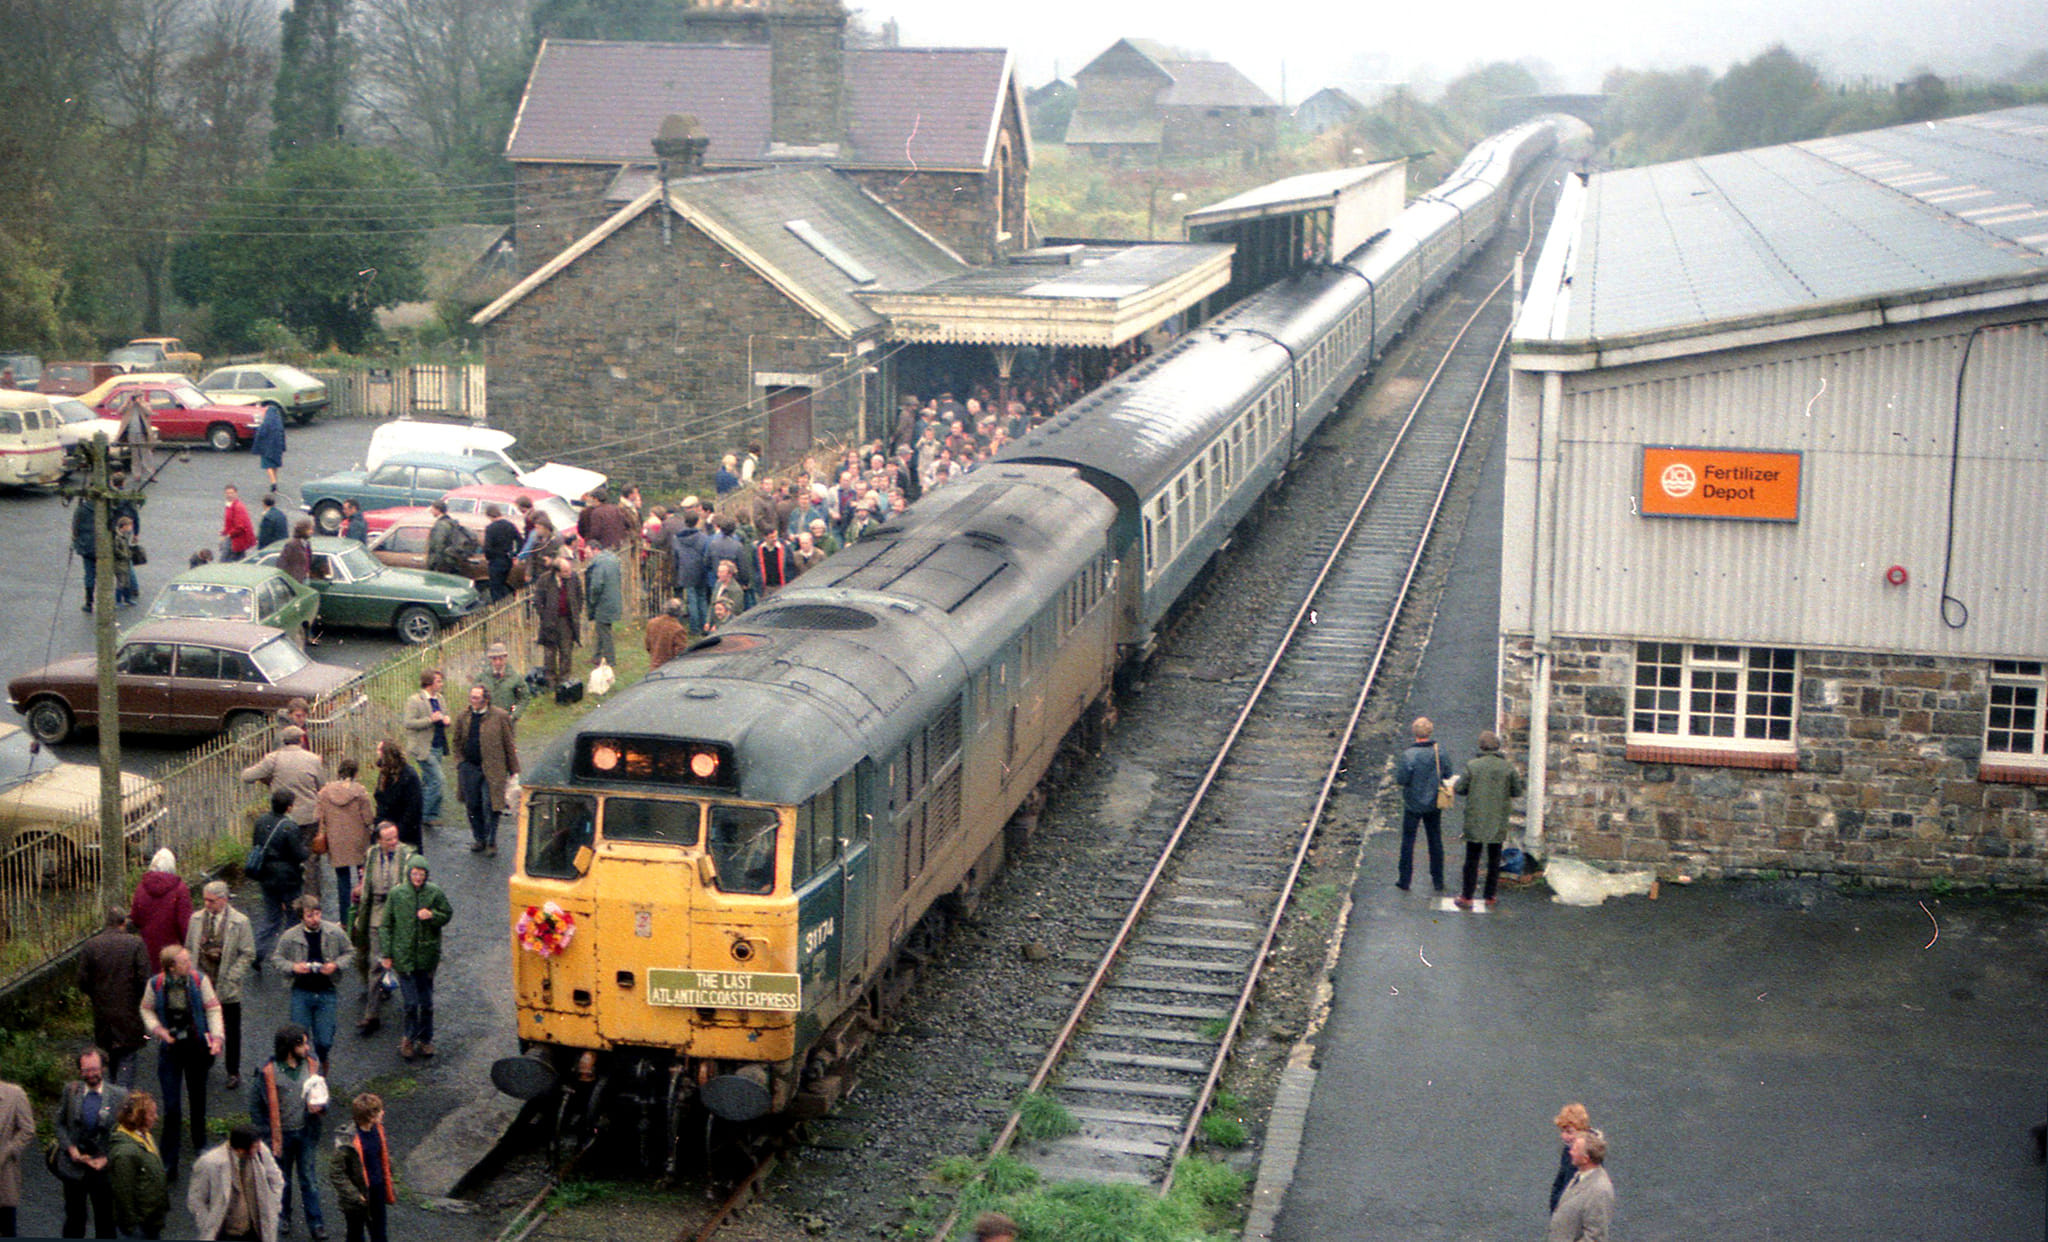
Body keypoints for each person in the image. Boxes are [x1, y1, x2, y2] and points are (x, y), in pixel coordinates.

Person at [139, 945, 224, 1183]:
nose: (190, 964)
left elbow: (213, 1008)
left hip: (197, 1048)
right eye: (185, 962)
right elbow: (146, 1009)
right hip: (171, 1051)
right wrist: (159, 1031)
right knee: (172, 1107)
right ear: (171, 967)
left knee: (198, 1100)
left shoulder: (199, 980)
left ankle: (201, 1148)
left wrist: (217, 1038)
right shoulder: (155, 985)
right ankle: (169, 1161)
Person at [248, 1026, 326, 1241]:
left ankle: (316, 1223)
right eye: (302, 1044)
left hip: (306, 1132)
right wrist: (265, 1133)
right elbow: (256, 1106)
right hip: (280, 1135)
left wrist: (320, 1106)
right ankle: (283, 1217)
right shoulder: (269, 1072)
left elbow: (320, 1092)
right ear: (290, 1048)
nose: (307, 1047)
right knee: (283, 1179)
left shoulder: (310, 1065)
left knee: (308, 1178)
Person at [272, 898, 352, 1077]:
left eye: (317, 914)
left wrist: (336, 965)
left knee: (324, 1040)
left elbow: (349, 952)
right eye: (310, 916)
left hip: (326, 991)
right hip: (301, 991)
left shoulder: (334, 932)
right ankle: (307, 1068)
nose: (315, 919)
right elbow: (277, 959)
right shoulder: (290, 936)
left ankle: (323, 1058)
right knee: (298, 1037)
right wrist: (293, 967)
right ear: (302, 917)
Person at [55, 1047, 130, 1237]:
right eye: (86, 1070)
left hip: (103, 1170)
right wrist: (70, 1148)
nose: (91, 1074)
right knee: (74, 1220)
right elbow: (60, 1124)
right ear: (80, 1071)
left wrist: (107, 1159)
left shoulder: (119, 1095)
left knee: (105, 1222)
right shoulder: (70, 1091)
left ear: (103, 1067)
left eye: (95, 1069)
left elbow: (126, 1133)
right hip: (74, 1168)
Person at [186, 881, 255, 1091]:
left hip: (227, 988)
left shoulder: (240, 922)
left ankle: (232, 1071)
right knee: (202, 1026)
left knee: (232, 1031)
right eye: (205, 899)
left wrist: (233, 977)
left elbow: (248, 953)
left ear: (224, 900)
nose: (206, 904)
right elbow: (189, 949)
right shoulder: (196, 920)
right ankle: (206, 1063)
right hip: (202, 986)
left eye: (211, 901)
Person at [242, 726, 326, 895]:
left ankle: (291, 898)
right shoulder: (313, 759)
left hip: (283, 821)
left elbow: (247, 776)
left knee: (286, 858)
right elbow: (321, 786)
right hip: (308, 817)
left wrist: (268, 779)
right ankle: (312, 899)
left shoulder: (273, 759)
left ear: (283, 741)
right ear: (301, 740)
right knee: (310, 860)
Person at [350, 825, 416, 1036]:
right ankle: (372, 1015)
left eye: (395, 837)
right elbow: (367, 883)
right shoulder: (371, 855)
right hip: (377, 911)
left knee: (403, 964)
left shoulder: (407, 855)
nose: (394, 842)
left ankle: (412, 1013)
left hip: (398, 911)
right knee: (375, 964)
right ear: (379, 840)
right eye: (388, 839)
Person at [381, 859, 451, 1059]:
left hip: (427, 957)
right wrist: (387, 954)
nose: (418, 878)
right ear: (408, 874)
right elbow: (386, 925)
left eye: (421, 874)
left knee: (427, 1003)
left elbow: (447, 914)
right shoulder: (397, 894)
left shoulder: (434, 892)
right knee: (411, 1003)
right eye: (414, 874)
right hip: (404, 957)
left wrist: (432, 915)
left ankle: (426, 1039)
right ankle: (408, 1039)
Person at [1452, 731, 1525, 911]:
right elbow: (1517, 791)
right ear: (1498, 747)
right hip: (1498, 818)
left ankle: (1467, 896)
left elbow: (1460, 788)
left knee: (1472, 859)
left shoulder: (1473, 766)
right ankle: (1490, 896)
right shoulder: (1508, 768)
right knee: (1494, 859)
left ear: (1481, 746)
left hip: (1476, 817)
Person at [79, 908, 150, 1088]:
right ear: (123, 922)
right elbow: (144, 978)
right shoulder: (135, 944)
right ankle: (122, 1102)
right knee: (127, 1057)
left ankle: (107, 1099)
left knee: (106, 1057)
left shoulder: (90, 945)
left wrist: (97, 995)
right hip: (129, 1011)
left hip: (102, 1012)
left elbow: (82, 981)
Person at [451, 685, 518, 856]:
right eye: (471, 696)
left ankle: (491, 841)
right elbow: (456, 741)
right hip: (470, 768)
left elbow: (509, 744)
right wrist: (460, 762)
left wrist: (513, 769)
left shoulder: (500, 716)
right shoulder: (463, 717)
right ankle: (479, 838)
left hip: (493, 769)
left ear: (485, 699)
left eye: (476, 697)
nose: (472, 700)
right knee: (472, 804)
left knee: (491, 805)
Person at [188, 1126, 284, 1242]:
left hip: (256, 1230)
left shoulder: (260, 1152)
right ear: (241, 1149)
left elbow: (276, 1179)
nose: (260, 1148)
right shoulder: (209, 1163)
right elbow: (196, 1199)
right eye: (255, 1146)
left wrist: (273, 1206)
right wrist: (207, 1223)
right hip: (225, 1233)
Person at [249, 791, 309, 967]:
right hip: (288, 878)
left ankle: (258, 951)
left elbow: (256, 844)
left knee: (271, 917)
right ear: (289, 807)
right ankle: (289, 954)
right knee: (293, 917)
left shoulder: (260, 821)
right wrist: (306, 850)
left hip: (266, 875)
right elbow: (298, 854)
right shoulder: (289, 826)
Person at [316, 760, 374, 932]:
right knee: (363, 878)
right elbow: (368, 818)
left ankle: (344, 920)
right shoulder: (360, 792)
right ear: (355, 773)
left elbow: (319, 816)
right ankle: (365, 917)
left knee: (343, 882)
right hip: (359, 840)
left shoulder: (325, 792)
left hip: (336, 841)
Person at [1394, 716, 1451, 893]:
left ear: (1415, 733)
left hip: (1412, 803)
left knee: (1408, 841)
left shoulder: (1409, 755)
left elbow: (1401, 779)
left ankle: (1405, 880)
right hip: (1434, 803)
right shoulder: (1439, 753)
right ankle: (1438, 880)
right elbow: (1447, 774)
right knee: (1435, 840)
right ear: (1430, 732)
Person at [328, 1094, 394, 1242]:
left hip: (377, 1191)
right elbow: (337, 1173)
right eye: (378, 1111)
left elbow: (382, 1156)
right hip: (358, 1197)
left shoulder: (378, 1130)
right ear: (370, 1116)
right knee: (355, 1235)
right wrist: (355, 1195)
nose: (382, 1113)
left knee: (380, 1234)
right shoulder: (347, 1140)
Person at [107, 1092, 168, 1239]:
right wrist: (131, 1226)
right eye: (151, 1114)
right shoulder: (125, 1153)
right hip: (139, 1226)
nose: (156, 1117)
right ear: (138, 1117)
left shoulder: (145, 1135)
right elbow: (124, 1193)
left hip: (151, 1218)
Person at [401, 672, 450, 829]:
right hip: (423, 747)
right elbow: (408, 722)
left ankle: (422, 812)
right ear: (429, 683)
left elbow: (444, 715)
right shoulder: (415, 700)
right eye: (438, 681)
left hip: (437, 745)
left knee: (429, 781)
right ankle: (427, 815)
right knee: (438, 780)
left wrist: (446, 720)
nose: (441, 684)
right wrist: (431, 720)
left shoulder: (440, 699)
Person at [1547, 1130, 1614, 1242]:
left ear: (1585, 1158)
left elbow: (1595, 1237)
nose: (1570, 1152)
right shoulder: (1579, 1176)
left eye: (1575, 1149)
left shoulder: (1600, 1190)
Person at [129, 850, 192, 969]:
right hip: (172, 948)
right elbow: (184, 923)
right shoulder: (180, 889)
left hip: (147, 947)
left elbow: (136, 918)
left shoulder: (141, 888)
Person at [534, 556, 582, 686]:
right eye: (565, 571)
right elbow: (538, 600)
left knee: (566, 651)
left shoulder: (574, 578)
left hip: (567, 620)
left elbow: (579, 596)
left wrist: (576, 612)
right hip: (550, 622)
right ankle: (551, 681)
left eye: (569, 570)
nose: (569, 573)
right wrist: (544, 616)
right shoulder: (545, 580)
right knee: (550, 652)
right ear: (557, 571)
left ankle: (564, 680)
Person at [371, 741, 423, 850]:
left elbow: (414, 807)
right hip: (386, 826)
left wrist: (400, 831)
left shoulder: (409, 776)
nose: (377, 753)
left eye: (379, 750)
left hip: (405, 829)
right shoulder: (385, 773)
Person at [0, 1067, 32, 1238]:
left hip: (4, 1175)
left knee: (7, 1227)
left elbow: (27, 1130)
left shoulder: (15, 1095)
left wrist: (8, 1151)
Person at [1550, 1103, 1597, 1213]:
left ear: (1583, 1130)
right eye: (1562, 1131)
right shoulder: (1568, 1150)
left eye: (1569, 1132)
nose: (1564, 1136)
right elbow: (1560, 1181)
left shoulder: (1591, 1157)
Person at [584, 545, 621, 670]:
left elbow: (596, 585)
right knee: (601, 629)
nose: (586, 556)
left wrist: (592, 600)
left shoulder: (599, 564)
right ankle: (596, 656)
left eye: (587, 552)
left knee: (604, 632)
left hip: (603, 602)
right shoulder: (613, 559)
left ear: (595, 550)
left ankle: (611, 661)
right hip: (613, 600)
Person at [473, 641, 530, 717]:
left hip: (506, 721)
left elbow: (524, 698)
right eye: (494, 659)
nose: (498, 662)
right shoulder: (482, 677)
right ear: (490, 659)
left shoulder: (515, 677)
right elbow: (473, 697)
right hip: (486, 720)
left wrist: (515, 715)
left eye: (500, 659)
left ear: (505, 658)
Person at [481, 504, 520, 602]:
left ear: (489, 515)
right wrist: (516, 554)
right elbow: (520, 540)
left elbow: (487, 547)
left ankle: (498, 607)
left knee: (495, 588)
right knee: (503, 585)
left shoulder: (490, 528)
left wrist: (489, 558)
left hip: (496, 561)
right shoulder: (510, 525)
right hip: (508, 560)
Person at [252, 403, 287, 489]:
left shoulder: (265, 423)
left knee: (268, 465)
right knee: (275, 464)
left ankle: (273, 482)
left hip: (266, 448)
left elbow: (260, 434)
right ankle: (275, 479)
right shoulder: (279, 423)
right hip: (277, 448)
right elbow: (282, 436)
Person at [645, 598, 687, 668]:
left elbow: (648, 646)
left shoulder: (652, 623)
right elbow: (681, 653)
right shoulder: (678, 629)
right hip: (669, 669)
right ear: (680, 612)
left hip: (654, 667)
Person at [221, 487, 256, 563]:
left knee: (225, 561)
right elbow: (229, 523)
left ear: (236, 494)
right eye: (227, 493)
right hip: (236, 540)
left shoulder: (237, 507)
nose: (229, 495)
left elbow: (240, 526)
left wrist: (228, 535)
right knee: (240, 561)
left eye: (231, 493)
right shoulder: (230, 506)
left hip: (236, 540)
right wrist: (223, 533)